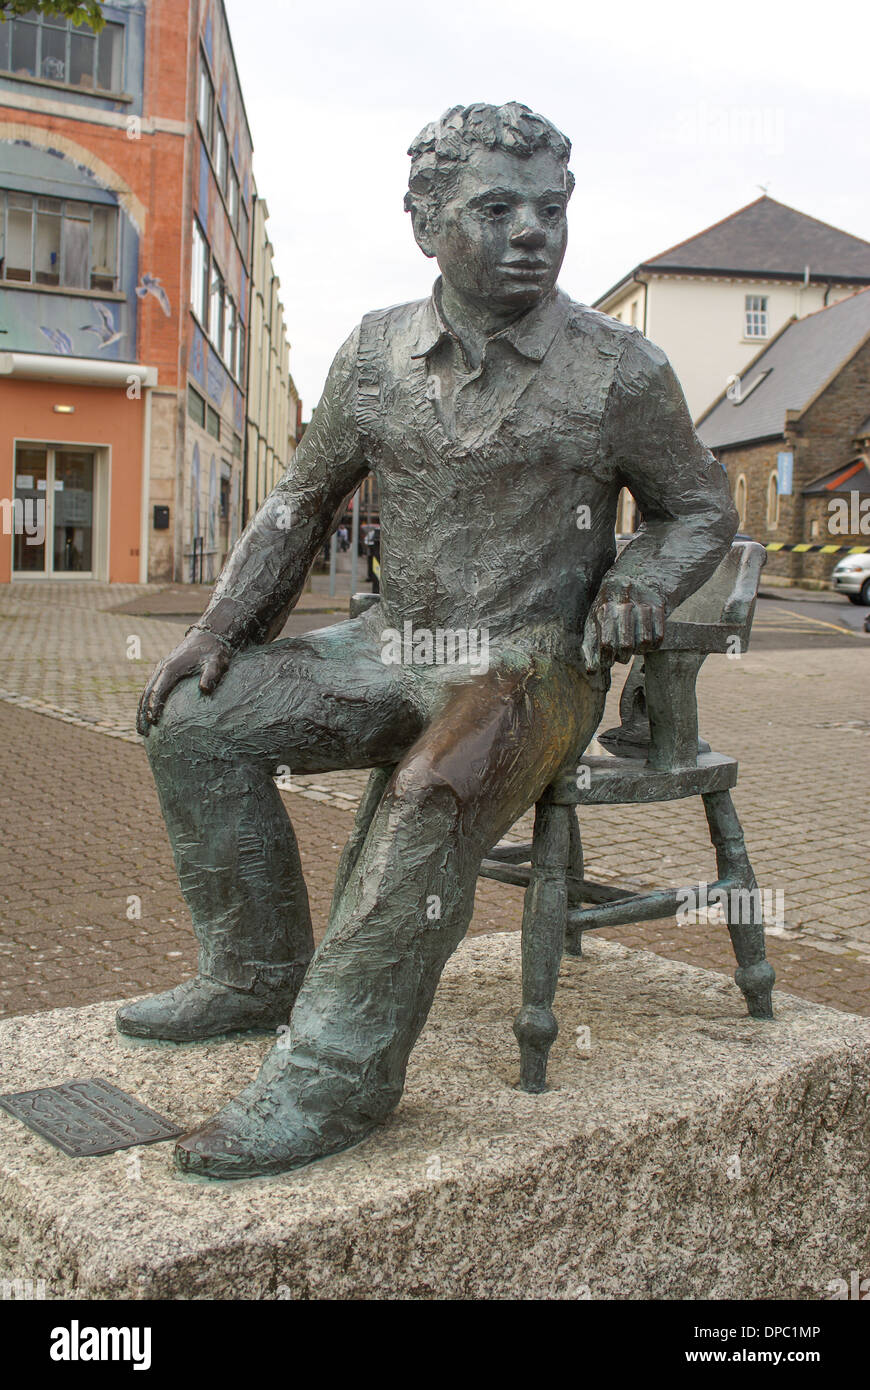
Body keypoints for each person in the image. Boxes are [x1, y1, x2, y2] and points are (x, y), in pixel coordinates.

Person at [128, 102, 736, 1178]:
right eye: (495, 209)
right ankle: (256, 971)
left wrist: (639, 580)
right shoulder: (372, 357)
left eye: (549, 209)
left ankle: (337, 1071)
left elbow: (697, 505)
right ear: (425, 223)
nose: (531, 232)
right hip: (390, 644)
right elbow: (298, 505)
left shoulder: (620, 370)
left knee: (431, 791)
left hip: (533, 664)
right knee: (193, 714)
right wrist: (225, 625)